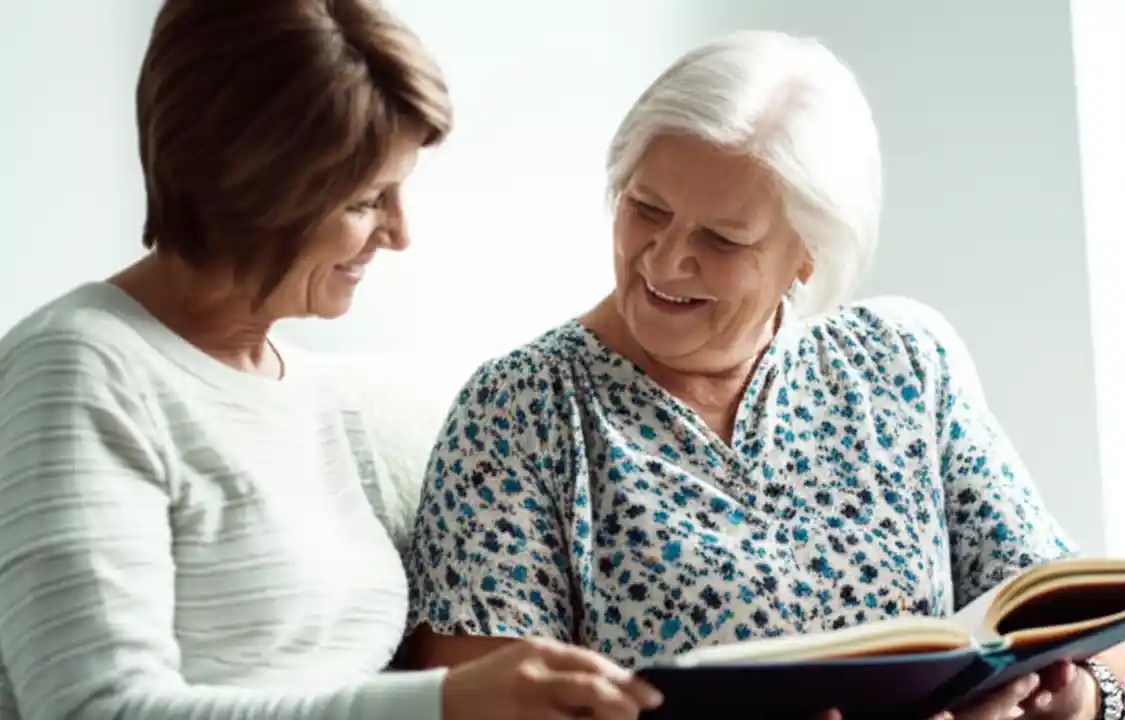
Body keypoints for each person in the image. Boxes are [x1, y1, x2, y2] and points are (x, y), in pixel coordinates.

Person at [404, 31, 1125, 720]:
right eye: (646, 210)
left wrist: (1080, 700)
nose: (664, 261)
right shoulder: (518, 410)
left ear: (808, 254)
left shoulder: (902, 362)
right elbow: (485, 705)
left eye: (722, 240)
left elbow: (1076, 618)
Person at [0, 1, 662, 718]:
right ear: (253, 190)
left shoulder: (308, 387)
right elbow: (93, 708)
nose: (400, 233)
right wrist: (441, 706)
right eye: (367, 200)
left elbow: (344, 679)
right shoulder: (79, 370)